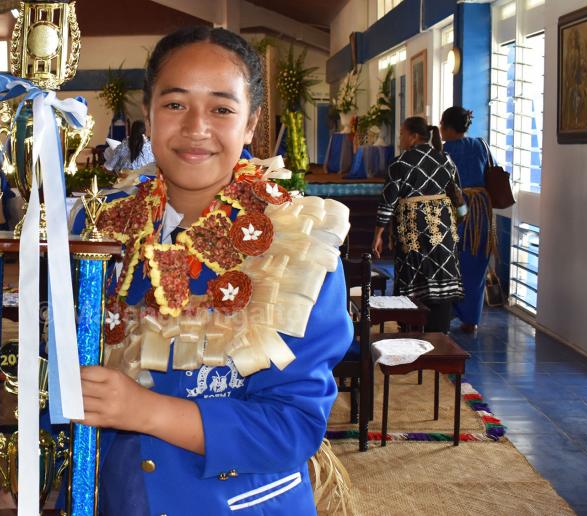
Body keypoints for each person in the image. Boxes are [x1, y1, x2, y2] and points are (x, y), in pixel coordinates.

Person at [72, 27, 353, 514]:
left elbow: (294, 426)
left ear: (251, 124)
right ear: (149, 112)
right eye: (175, 104)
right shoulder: (100, 226)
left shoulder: (297, 241)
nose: (196, 127)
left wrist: (145, 411)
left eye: (222, 108)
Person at [372, 117, 463, 332]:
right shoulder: (445, 158)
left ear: (413, 136)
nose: (400, 138)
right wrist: (462, 217)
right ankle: (440, 331)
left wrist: (378, 234)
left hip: (413, 226)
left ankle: (411, 327)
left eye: (402, 133)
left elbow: (388, 201)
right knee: (441, 273)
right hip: (441, 227)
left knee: (414, 273)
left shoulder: (400, 163)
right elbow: (458, 193)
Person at [440, 107, 493, 333]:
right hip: (481, 210)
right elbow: (491, 171)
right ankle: (471, 319)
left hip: (458, 210)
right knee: (477, 261)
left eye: (442, 124)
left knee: (453, 261)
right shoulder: (481, 145)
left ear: (449, 128)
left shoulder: (445, 151)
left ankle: (450, 311)